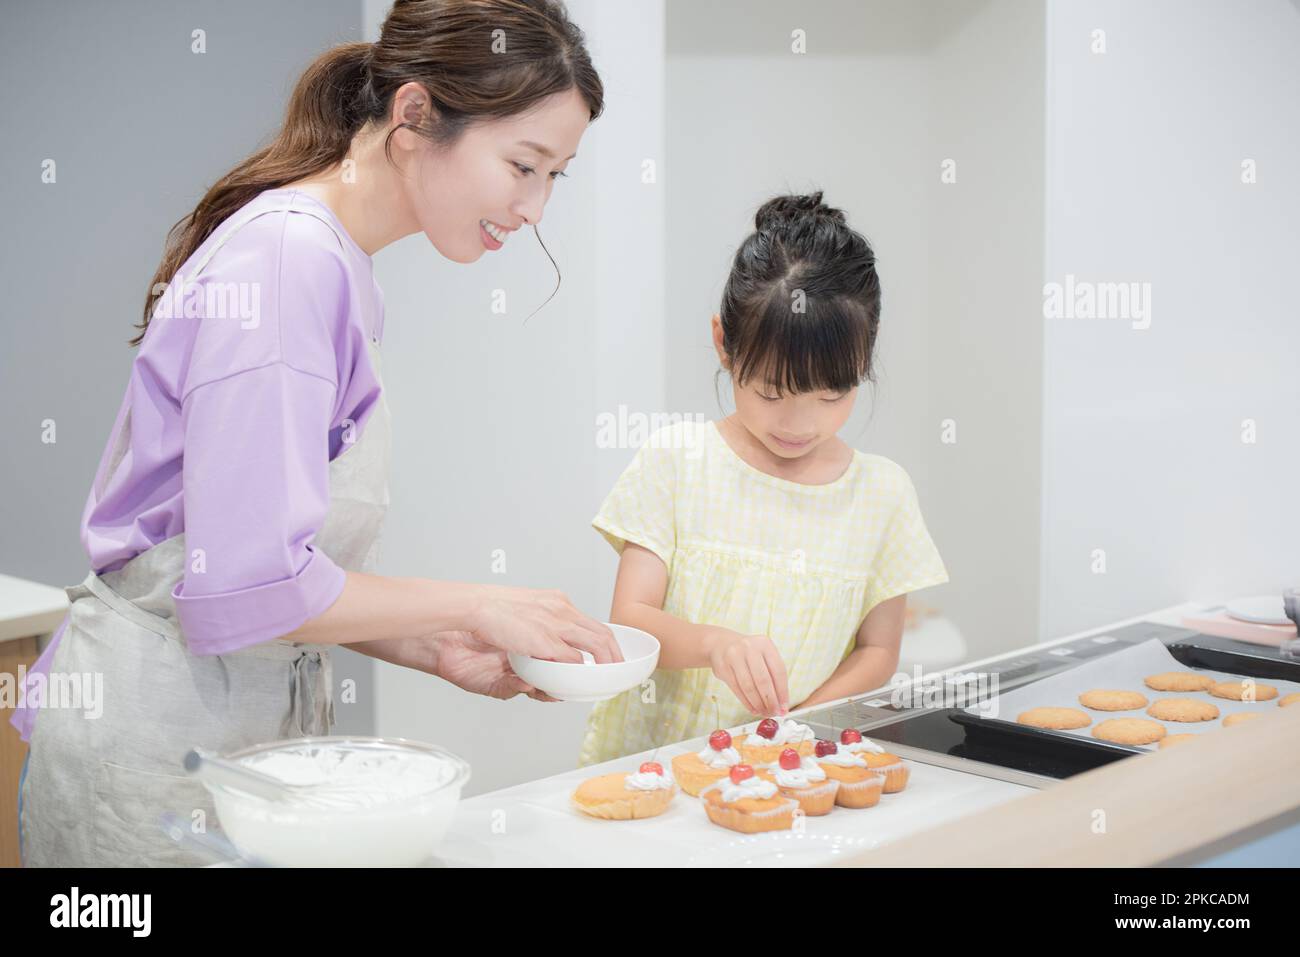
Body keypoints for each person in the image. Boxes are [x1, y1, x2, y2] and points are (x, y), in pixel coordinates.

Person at [15, 0, 620, 867]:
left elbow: (269, 564)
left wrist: (435, 646)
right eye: (523, 164)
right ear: (414, 115)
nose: (533, 208)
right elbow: (248, 579)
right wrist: (480, 601)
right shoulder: (289, 261)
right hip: (150, 752)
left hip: (226, 739)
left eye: (555, 176)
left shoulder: (333, 262)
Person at [579, 191, 950, 765]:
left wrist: (799, 724)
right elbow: (630, 620)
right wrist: (715, 644)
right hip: (655, 770)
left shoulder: (883, 495)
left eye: (832, 396)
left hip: (790, 768)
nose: (799, 425)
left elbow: (879, 650)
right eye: (771, 392)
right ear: (724, 346)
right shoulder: (677, 461)